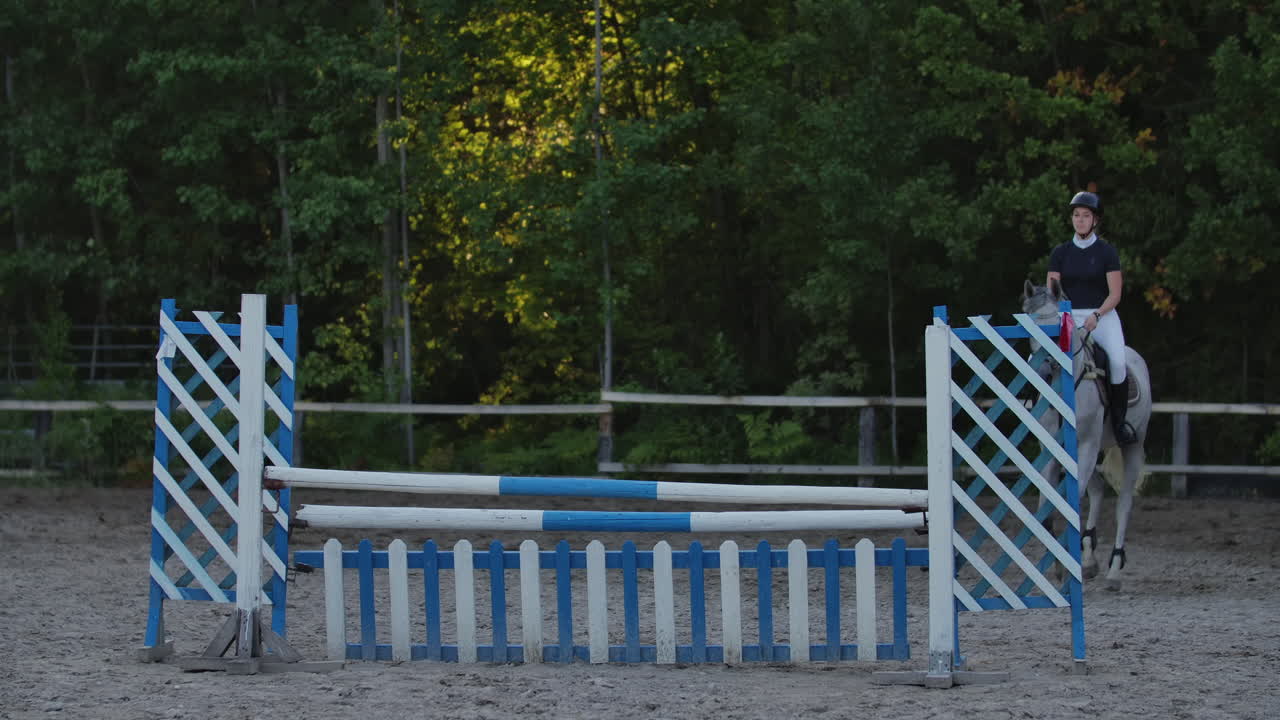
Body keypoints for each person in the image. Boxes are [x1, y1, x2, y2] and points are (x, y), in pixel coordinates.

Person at [1046, 190, 1137, 445]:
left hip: (1102, 315)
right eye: (1076, 215)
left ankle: (1119, 424)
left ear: (1095, 220)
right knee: (1036, 359)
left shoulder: (1107, 252)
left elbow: (1115, 294)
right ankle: (1036, 414)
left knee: (1118, 362)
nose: (1080, 220)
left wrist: (1097, 314)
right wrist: (1065, 316)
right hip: (1067, 315)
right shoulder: (1060, 253)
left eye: (1085, 216)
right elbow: (1053, 293)